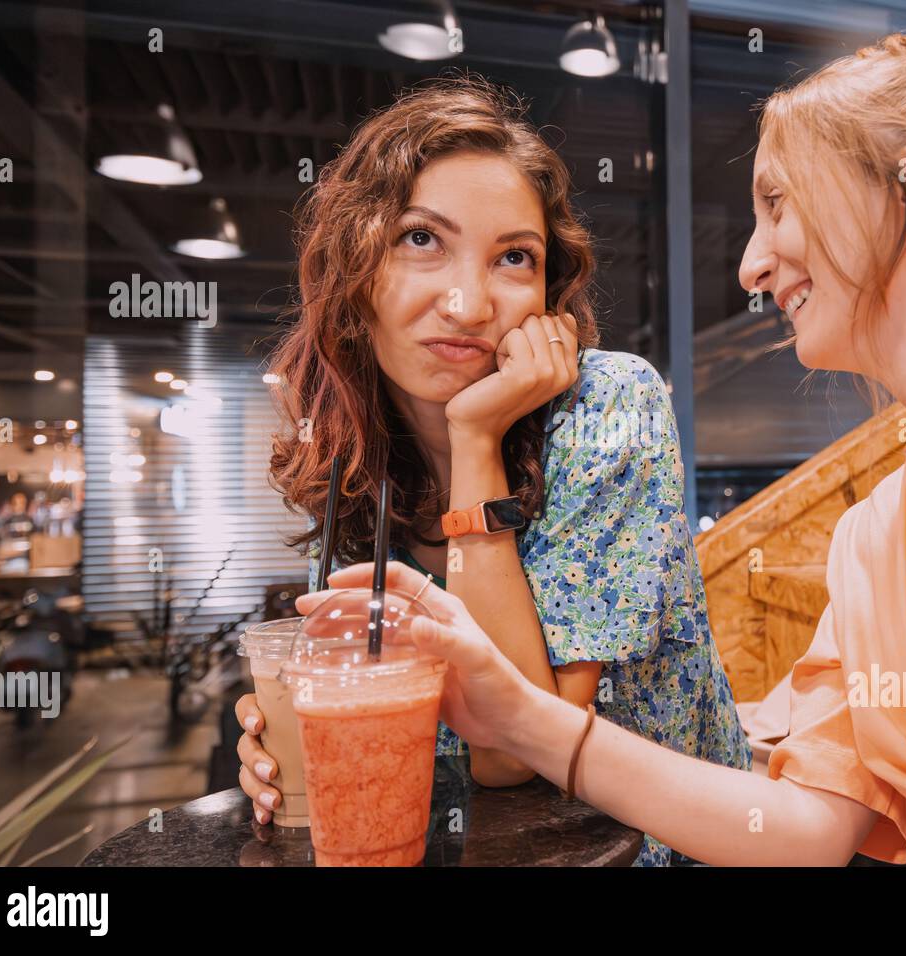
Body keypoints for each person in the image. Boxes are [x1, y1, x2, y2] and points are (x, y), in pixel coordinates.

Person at [335, 0, 906, 865]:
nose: (748, 263)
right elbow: (813, 826)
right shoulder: (879, 526)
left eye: (775, 203)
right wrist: (518, 717)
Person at [236, 76, 750, 865]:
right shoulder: (353, 457)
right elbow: (392, 715)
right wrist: (296, 750)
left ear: (550, 292)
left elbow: (515, 752)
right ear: (354, 267)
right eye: (421, 240)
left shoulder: (610, 406)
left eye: (514, 257)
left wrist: (475, 439)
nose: (470, 304)